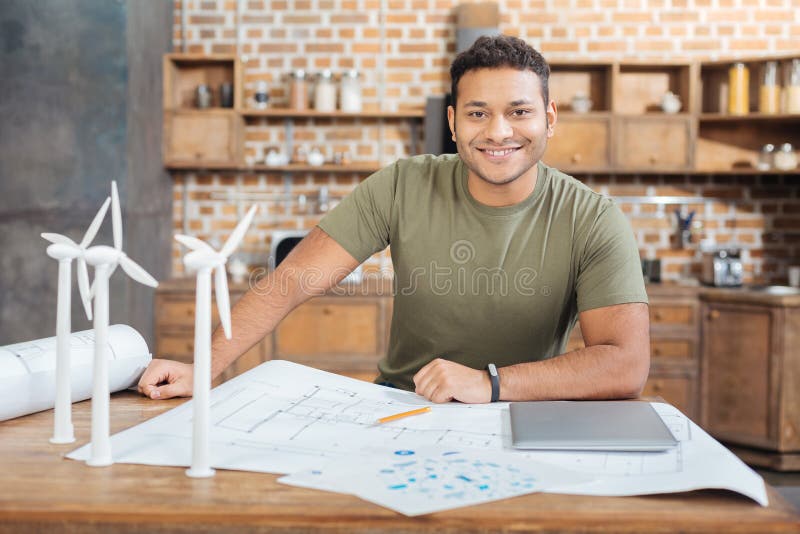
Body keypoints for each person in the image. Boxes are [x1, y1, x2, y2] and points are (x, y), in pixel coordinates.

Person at [139, 35, 650, 404]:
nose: (498, 131)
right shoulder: (403, 183)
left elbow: (626, 363)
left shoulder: (592, 218)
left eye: (519, 112)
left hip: (524, 411)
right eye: (477, 113)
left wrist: (490, 383)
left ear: (549, 118)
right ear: (452, 123)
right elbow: (294, 278)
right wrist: (202, 367)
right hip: (404, 407)